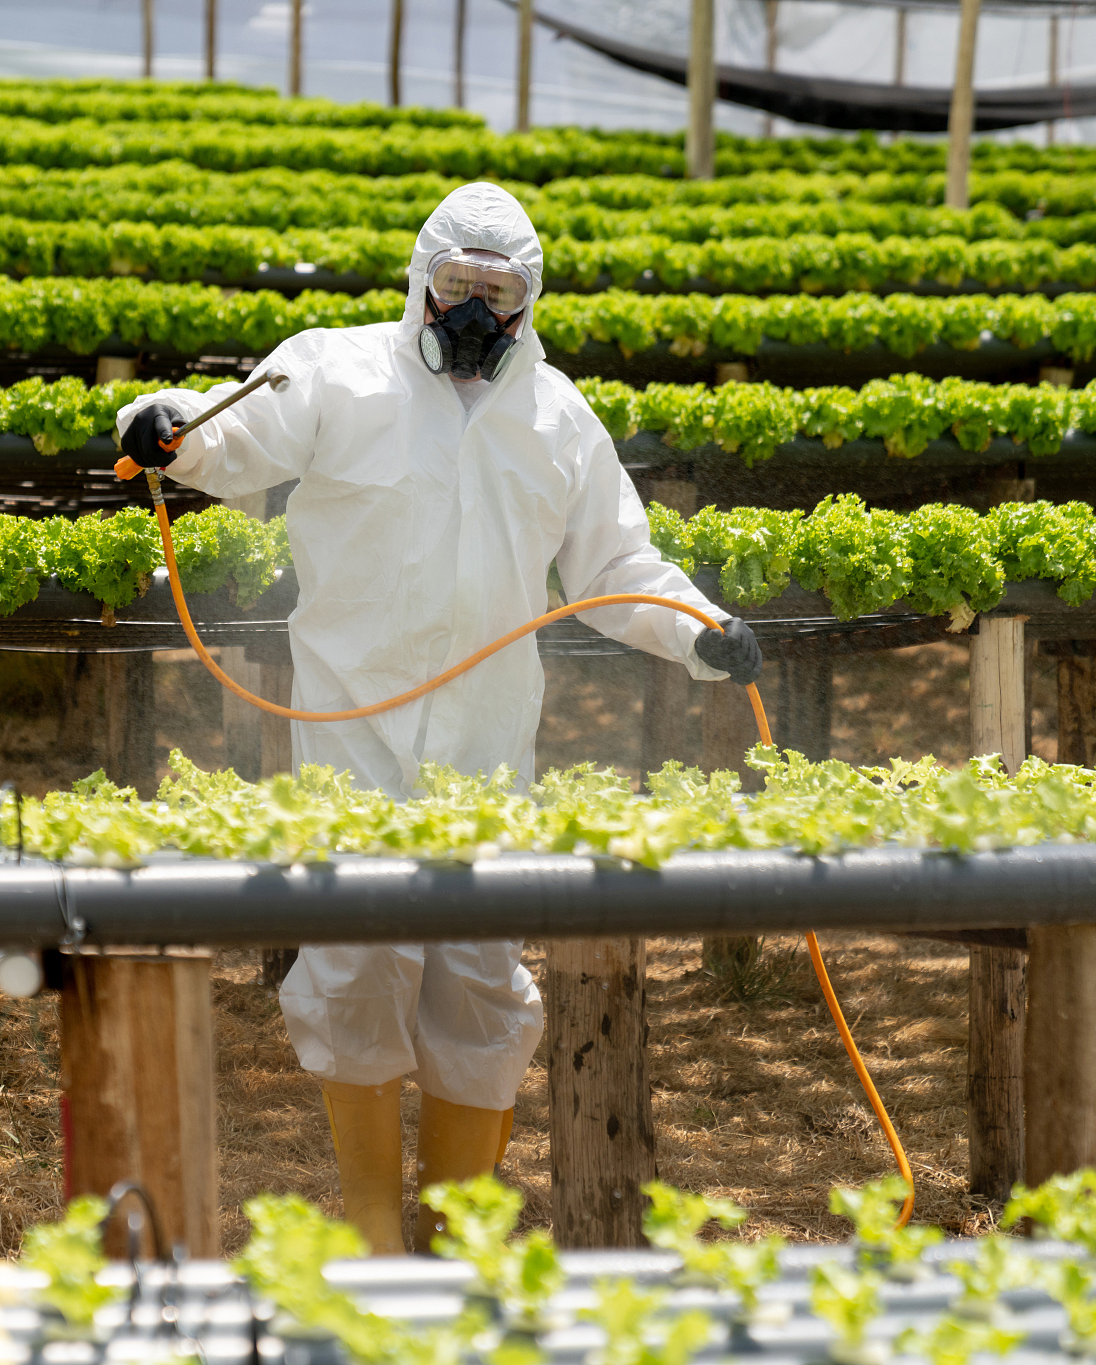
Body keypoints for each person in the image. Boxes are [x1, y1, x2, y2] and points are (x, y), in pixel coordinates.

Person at [113, 182, 762, 1255]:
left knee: (477, 975)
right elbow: (231, 435)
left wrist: (700, 630)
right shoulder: (333, 370)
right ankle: (372, 1230)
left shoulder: (556, 418)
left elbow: (618, 561)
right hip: (346, 723)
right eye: (454, 286)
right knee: (353, 964)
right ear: (421, 281)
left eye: (493, 294)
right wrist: (166, 428)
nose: (470, 313)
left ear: (527, 301)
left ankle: (456, 1238)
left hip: (483, 738)